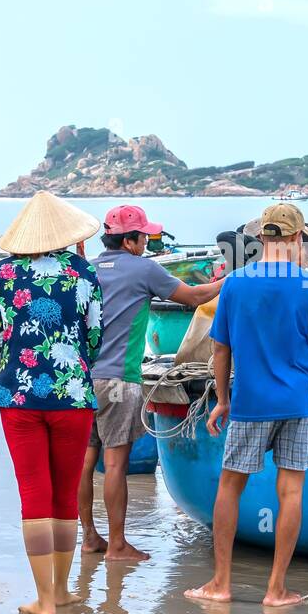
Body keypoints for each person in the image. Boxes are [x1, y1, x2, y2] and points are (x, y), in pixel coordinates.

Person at [185, 203, 308, 607]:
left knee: (230, 486)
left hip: (251, 402)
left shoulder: (235, 284)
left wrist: (222, 400)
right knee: (290, 492)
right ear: (297, 237)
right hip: (301, 401)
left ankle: (221, 583)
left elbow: (221, 349)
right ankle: (276, 590)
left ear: (262, 237)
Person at [80, 205, 224, 561]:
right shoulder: (144, 269)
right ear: (129, 240)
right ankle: (117, 545)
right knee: (115, 465)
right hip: (119, 379)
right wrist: (233, 279)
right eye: (144, 236)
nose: (147, 241)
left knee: (84, 462)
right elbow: (193, 297)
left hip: (81, 379)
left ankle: (90, 538)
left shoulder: (87, 269)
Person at [0, 192, 103, 614]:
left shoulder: (3, 273)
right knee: (64, 494)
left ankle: (45, 600)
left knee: (34, 491)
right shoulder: (83, 271)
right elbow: (94, 336)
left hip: (18, 396)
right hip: (73, 397)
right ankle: (62, 589)